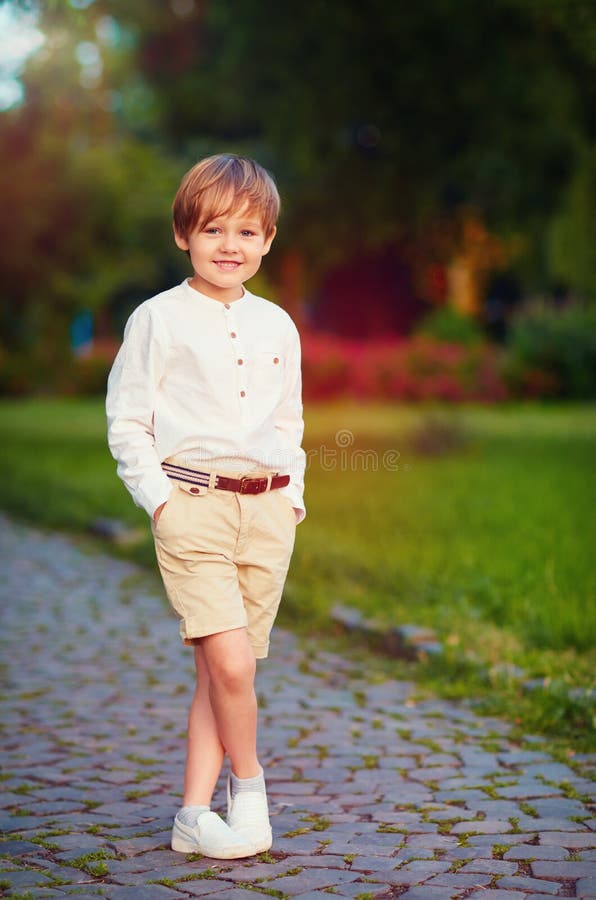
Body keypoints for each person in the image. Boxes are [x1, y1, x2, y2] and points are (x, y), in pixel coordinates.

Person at [106, 154, 306, 860]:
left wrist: (293, 502)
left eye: (248, 232)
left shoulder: (278, 325)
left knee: (222, 672)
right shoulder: (158, 318)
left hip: (267, 514)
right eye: (214, 228)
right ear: (183, 234)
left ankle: (192, 816)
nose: (230, 245)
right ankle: (250, 794)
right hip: (194, 506)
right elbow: (128, 421)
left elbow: (290, 425)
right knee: (232, 666)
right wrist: (162, 504)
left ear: (268, 240)